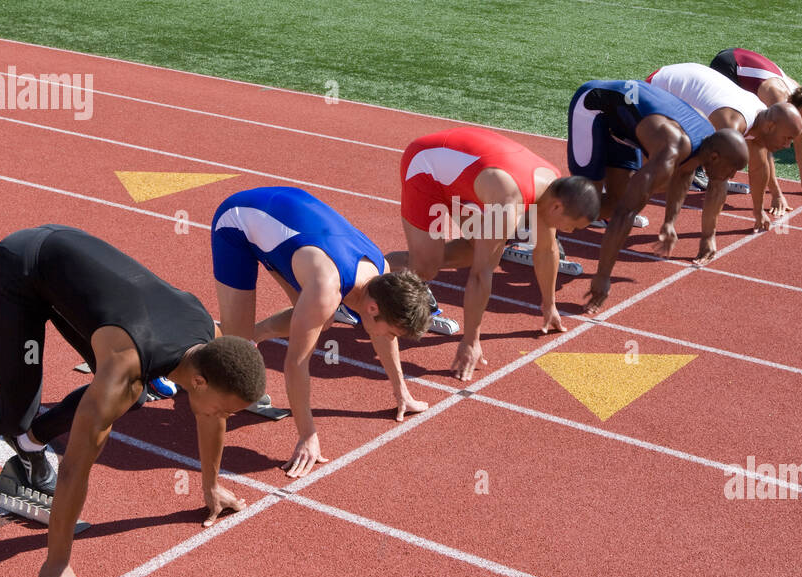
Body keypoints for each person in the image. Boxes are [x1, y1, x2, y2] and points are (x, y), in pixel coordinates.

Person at [0, 224, 267, 577]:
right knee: (12, 414)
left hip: (74, 275)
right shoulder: (124, 372)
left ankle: (29, 445)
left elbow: (211, 417)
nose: (225, 419)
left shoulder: (212, 344)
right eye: (226, 409)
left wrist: (210, 486)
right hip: (22, 269)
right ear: (198, 381)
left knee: (135, 397)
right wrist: (57, 564)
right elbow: (74, 469)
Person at [211, 187, 436, 475]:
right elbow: (296, 363)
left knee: (321, 320)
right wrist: (307, 435)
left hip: (290, 223)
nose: (390, 338)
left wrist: (401, 392)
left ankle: (256, 333)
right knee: (236, 349)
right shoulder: (326, 290)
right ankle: (190, 342)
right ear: (372, 308)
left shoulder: (381, 273)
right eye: (392, 332)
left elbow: (381, 333)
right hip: (240, 221)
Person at [390, 127, 601, 380]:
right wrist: (470, 341)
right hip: (427, 166)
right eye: (573, 225)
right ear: (558, 206)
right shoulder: (508, 205)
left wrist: (549, 305)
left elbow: (547, 250)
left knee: (475, 250)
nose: (570, 231)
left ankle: (402, 266)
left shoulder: (552, 188)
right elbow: (481, 275)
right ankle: (365, 275)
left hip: (465, 175)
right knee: (425, 268)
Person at [566, 79, 748, 314]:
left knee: (612, 204)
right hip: (594, 106)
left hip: (623, 120)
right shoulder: (671, 149)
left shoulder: (705, 139)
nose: (731, 176)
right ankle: (533, 212)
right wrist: (603, 277)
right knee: (583, 205)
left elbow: (685, 173)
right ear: (714, 157)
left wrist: (669, 222)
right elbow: (626, 214)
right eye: (732, 169)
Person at [643, 64, 802, 232]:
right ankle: (618, 206)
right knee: (661, 167)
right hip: (659, 86)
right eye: (787, 138)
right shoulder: (732, 125)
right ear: (770, 127)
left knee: (680, 165)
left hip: (684, 84)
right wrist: (707, 239)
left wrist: (758, 212)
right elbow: (716, 185)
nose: (787, 146)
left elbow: (758, 167)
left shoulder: (762, 120)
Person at [703, 48, 802, 197]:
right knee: (728, 125)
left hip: (740, 58)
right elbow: (763, 147)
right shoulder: (778, 100)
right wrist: (776, 194)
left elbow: (801, 138)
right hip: (729, 66)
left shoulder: (799, 99)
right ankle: (699, 170)